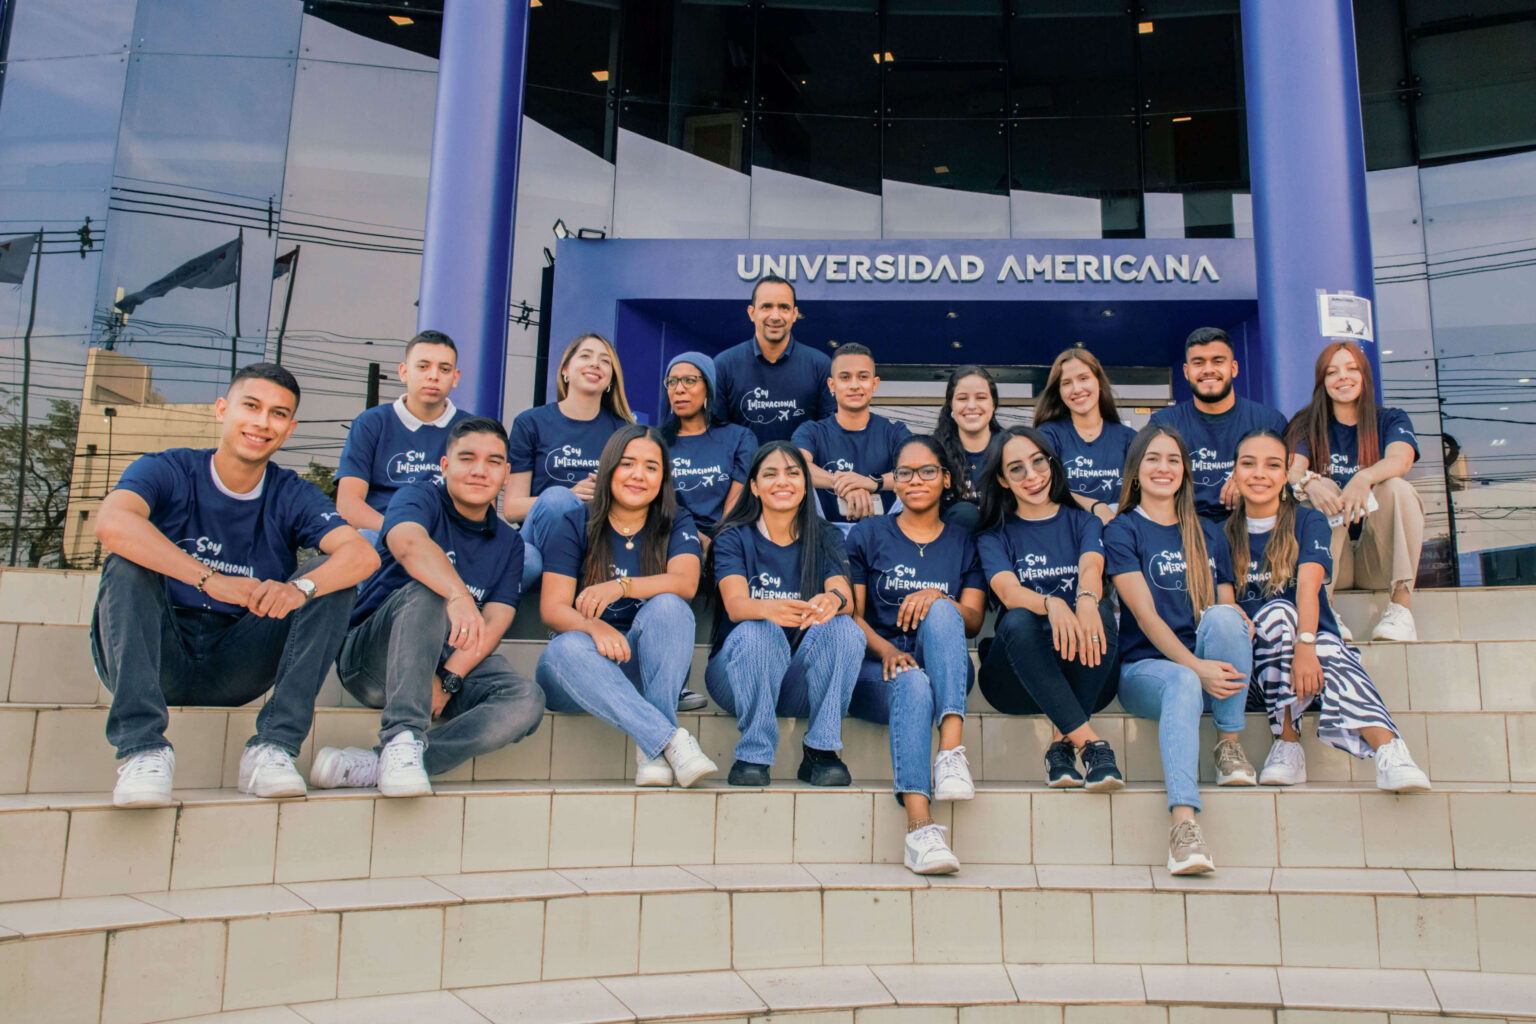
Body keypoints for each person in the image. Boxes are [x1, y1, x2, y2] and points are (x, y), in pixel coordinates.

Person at [91, 363, 379, 807]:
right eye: (251, 406)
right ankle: (142, 749)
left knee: (331, 579)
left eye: (279, 414)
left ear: (290, 427)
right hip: (159, 650)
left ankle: (273, 748)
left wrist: (296, 589)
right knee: (127, 561)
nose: (263, 422)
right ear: (222, 409)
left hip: (238, 658)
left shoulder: (291, 493)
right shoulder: (169, 469)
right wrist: (211, 580)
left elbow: (362, 554)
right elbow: (111, 523)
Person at [313, 418, 545, 797]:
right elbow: (408, 543)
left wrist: (450, 677)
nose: (479, 470)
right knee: (429, 591)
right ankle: (402, 733)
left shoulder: (508, 543)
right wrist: (457, 594)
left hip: (444, 659)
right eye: (467, 458)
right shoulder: (417, 497)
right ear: (444, 465)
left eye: (493, 462)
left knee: (526, 699)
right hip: (374, 660)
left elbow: (497, 616)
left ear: (506, 473)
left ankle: (387, 760)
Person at [1227, 429, 1430, 791]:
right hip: (1256, 672)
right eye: (1248, 464)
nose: (1259, 473)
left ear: (1285, 473)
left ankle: (1390, 752)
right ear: (1234, 472)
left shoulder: (1308, 522)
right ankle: (1287, 740)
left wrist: (1305, 645)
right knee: (1275, 614)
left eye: (1273, 465)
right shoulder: (1221, 533)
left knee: (1319, 640)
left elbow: (1308, 586)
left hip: (1316, 659)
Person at [1104, 424, 1257, 876]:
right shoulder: (1123, 530)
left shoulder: (1208, 533)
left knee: (1229, 617)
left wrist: (1210, 663)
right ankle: (1183, 827)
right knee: (1185, 680)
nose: (1163, 468)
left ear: (1185, 471)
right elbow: (1145, 616)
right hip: (1146, 672)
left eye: (1173, 459)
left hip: (1210, 671)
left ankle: (1228, 745)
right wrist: (1194, 667)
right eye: (1152, 458)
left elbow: (1224, 610)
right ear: (1135, 471)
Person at [534, 425, 717, 787]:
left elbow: (686, 583)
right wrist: (593, 627)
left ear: (663, 477)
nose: (638, 475)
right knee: (566, 645)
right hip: (576, 672)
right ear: (608, 469)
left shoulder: (676, 521)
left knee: (670, 605)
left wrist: (622, 586)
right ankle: (667, 741)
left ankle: (650, 749)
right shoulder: (574, 522)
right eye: (628, 463)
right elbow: (552, 607)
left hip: (634, 666)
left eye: (651, 467)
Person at [846, 436, 987, 875]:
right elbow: (850, 612)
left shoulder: (965, 541)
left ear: (946, 479)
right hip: (879, 669)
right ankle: (920, 830)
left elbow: (975, 619)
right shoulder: (868, 533)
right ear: (894, 483)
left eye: (928, 471)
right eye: (904, 473)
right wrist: (886, 648)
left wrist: (935, 596)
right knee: (911, 681)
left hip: (944, 662)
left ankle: (950, 754)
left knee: (944, 611)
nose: (915, 480)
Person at [704, 441, 864, 786]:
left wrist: (832, 601)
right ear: (754, 487)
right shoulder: (733, 536)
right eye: (770, 474)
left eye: (793, 473)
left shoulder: (824, 535)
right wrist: (770, 609)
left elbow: (844, 596)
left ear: (806, 485)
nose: (782, 481)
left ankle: (821, 752)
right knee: (760, 630)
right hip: (736, 675)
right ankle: (753, 754)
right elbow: (735, 606)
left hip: (796, 680)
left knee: (846, 629)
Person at [974, 426, 1124, 791]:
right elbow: (1008, 592)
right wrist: (1052, 602)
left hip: (1084, 677)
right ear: (1003, 480)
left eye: (1038, 462)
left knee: (1102, 614)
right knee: (1018, 619)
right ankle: (1092, 747)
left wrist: (1087, 598)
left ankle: (1060, 749)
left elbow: (1091, 566)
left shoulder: (1083, 521)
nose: (1032, 476)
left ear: (1053, 464)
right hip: (1014, 681)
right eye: (1017, 469)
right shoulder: (994, 534)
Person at [1286, 341, 1424, 642]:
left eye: (1351, 369)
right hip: (1334, 564)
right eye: (1332, 372)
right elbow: (1293, 470)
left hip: (1378, 560)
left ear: (1364, 376)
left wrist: (1366, 477)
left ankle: (1401, 610)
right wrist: (1311, 482)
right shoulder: (1306, 422)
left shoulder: (1390, 419)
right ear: (1322, 382)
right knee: (1320, 487)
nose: (1343, 378)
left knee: (1397, 488)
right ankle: (1324, 608)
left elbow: (1401, 460)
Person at [659, 350, 757, 711]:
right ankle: (674, 683)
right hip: (669, 529)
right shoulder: (656, 440)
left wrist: (716, 539)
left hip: (724, 533)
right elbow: (657, 498)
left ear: (708, 388)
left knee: (735, 550)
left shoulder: (738, 437)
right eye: (672, 382)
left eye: (689, 380)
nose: (679, 389)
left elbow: (738, 495)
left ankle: (737, 670)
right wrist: (691, 535)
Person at [504, 332, 635, 590]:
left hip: (597, 538)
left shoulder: (625, 432)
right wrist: (569, 496)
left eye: (604, 361)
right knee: (556, 501)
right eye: (585, 356)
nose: (595, 364)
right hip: (540, 538)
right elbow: (511, 508)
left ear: (610, 379)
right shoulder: (530, 422)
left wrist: (609, 494)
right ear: (565, 371)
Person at [334, 330, 472, 542]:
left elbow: (481, 506)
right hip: (383, 535)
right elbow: (348, 505)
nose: (433, 376)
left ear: (455, 378)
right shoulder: (371, 423)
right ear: (403, 372)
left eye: (444, 369)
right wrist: (402, 532)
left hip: (448, 539)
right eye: (423, 367)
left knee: (525, 559)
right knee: (365, 541)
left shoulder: (472, 430)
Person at [1149, 327, 1288, 520]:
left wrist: (1248, 481)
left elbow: (1285, 480)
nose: (1208, 369)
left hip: (1247, 526)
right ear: (1187, 372)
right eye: (1198, 363)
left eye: (1218, 361)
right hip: (1184, 530)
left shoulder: (1269, 421)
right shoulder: (1163, 423)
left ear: (1234, 368)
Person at [792, 343, 910, 529]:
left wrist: (872, 483)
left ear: (874, 384)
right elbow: (796, 467)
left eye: (862, 377)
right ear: (832, 385)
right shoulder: (811, 431)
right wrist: (845, 485)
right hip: (824, 537)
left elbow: (916, 473)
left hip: (886, 535)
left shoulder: (895, 432)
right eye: (845, 378)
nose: (854, 385)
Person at [713, 276, 834, 445]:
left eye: (784, 307)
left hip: (803, 471)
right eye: (766, 306)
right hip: (745, 471)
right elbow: (716, 433)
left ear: (794, 314)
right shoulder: (723, 365)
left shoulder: (820, 365)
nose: (775, 316)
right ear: (751, 313)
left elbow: (830, 434)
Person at [1034, 347, 1137, 526]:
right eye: (1066, 383)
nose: (1077, 389)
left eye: (1084, 378)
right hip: (1066, 535)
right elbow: (1042, 486)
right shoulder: (1049, 435)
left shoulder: (1128, 438)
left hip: (1117, 536)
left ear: (1098, 381)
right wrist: (1096, 506)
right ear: (1058, 390)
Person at [932, 364, 1003, 532]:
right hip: (953, 550)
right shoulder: (933, 452)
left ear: (993, 404)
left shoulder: (1012, 448)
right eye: (962, 398)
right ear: (951, 405)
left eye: (981, 397)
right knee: (965, 513)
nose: (971, 405)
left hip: (1005, 547)